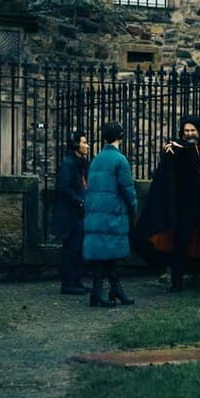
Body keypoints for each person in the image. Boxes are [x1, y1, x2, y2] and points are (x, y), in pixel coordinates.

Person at [135, 116, 200, 293]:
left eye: (192, 130)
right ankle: (177, 282)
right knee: (181, 244)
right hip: (183, 205)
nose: (189, 134)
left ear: (198, 131)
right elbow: (168, 175)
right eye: (186, 131)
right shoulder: (175, 150)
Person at [83, 121, 139, 308]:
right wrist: (134, 208)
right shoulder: (120, 160)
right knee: (112, 254)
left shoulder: (96, 159)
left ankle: (103, 291)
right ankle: (107, 291)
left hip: (96, 212)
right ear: (120, 136)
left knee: (103, 254)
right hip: (113, 213)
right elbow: (127, 189)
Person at [51, 130, 90, 295]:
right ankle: (69, 283)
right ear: (75, 145)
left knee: (78, 248)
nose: (87, 146)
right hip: (71, 214)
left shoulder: (81, 163)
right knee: (71, 249)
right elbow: (63, 187)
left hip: (79, 212)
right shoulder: (68, 163)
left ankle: (76, 281)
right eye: (84, 142)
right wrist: (79, 201)